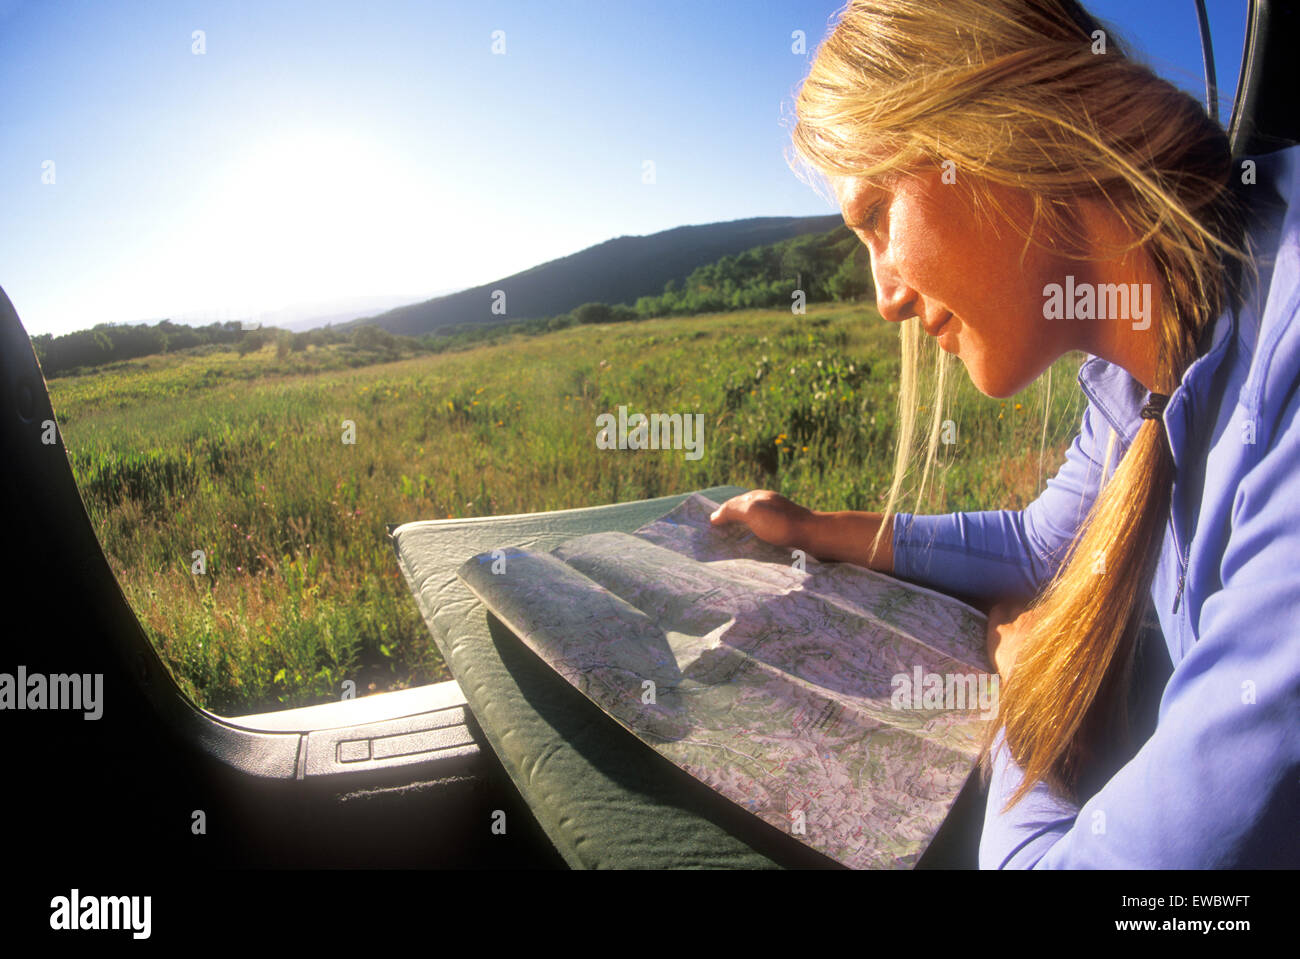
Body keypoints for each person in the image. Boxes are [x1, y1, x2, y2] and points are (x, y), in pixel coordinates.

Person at [710, 0, 1298, 867]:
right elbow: (1043, 548)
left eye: (877, 219)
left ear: (997, 128)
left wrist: (1026, 706)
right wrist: (813, 531)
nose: (886, 298)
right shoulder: (1142, 358)